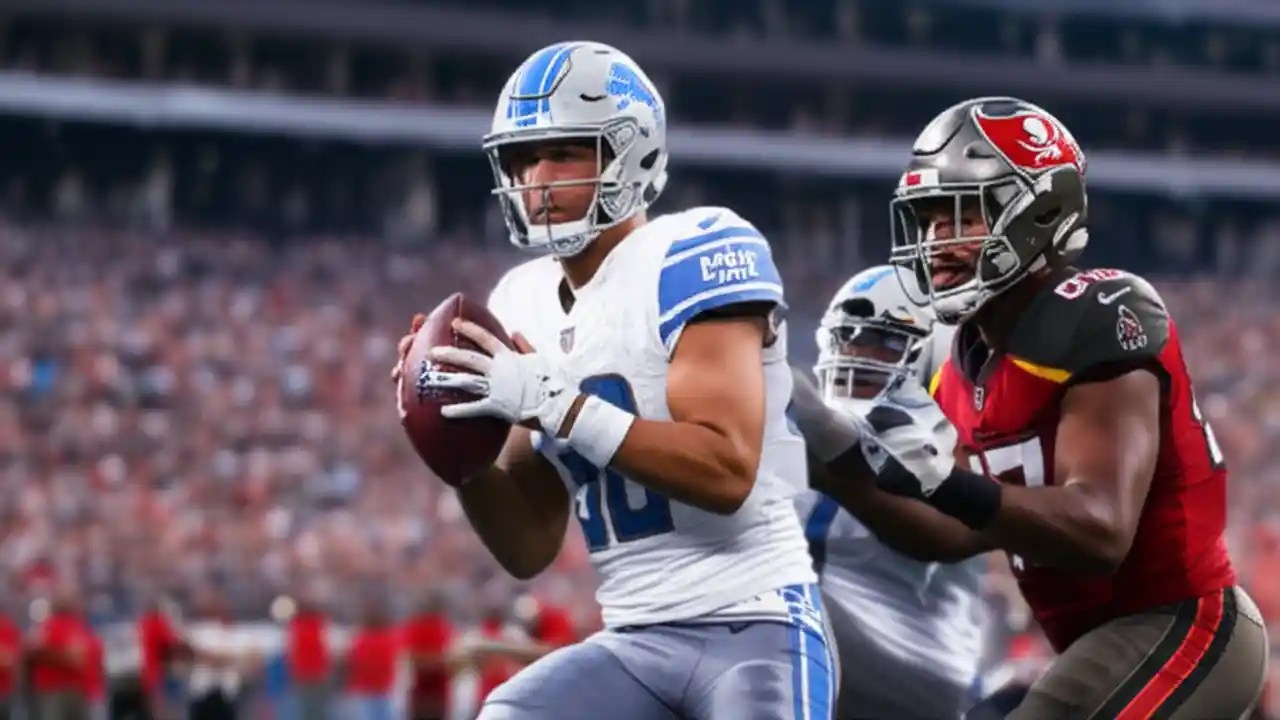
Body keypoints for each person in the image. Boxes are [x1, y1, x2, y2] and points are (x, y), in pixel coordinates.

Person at [394, 40, 833, 720]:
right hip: (634, 639)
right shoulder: (520, 301)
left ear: (630, 154)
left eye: (563, 153)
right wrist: (458, 454)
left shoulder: (693, 250)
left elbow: (727, 472)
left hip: (757, 621)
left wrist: (555, 403)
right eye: (522, 159)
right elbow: (529, 546)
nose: (536, 179)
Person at [795, 96, 1268, 719]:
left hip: (1186, 627)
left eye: (961, 218)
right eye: (929, 221)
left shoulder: (1098, 314)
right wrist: (835, 462)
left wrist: (943, 481)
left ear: (1037, 214)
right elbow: (949, 532)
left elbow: (1100, 530)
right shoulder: (963, 361)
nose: (936, 243)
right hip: (1098, 644)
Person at [793, 264, 986, 720]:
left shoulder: (958, 435)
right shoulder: (811, 426)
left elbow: (937, 533)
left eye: (884, 340)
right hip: (833, 652)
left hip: (910, 661)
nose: (856, 351)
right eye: (846, 337)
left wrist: (831, 460)